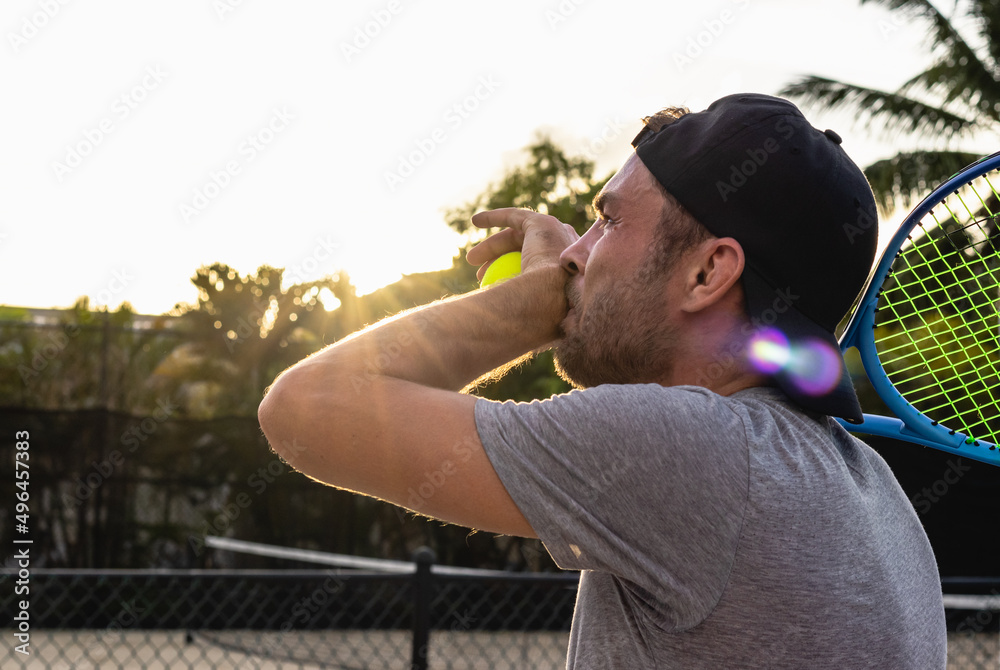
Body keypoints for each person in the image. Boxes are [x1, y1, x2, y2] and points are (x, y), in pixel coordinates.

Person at [257, 93, 947, 668]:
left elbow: (304, 409)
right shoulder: (873, 491)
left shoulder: (698, 450)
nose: (576, 252)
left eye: (608, 220)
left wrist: (537, 298)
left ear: (708, 272)